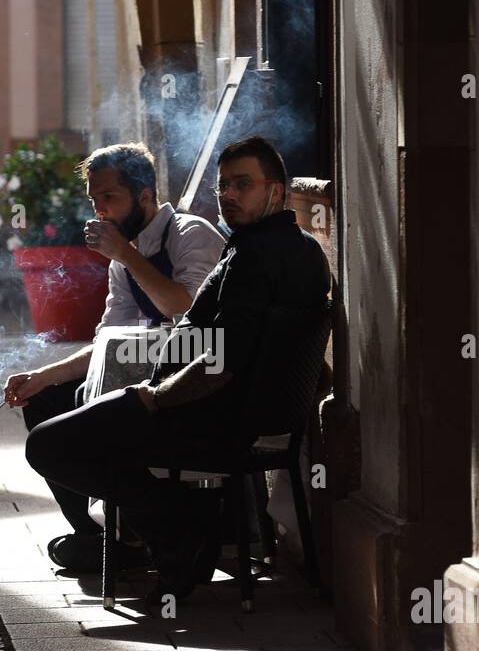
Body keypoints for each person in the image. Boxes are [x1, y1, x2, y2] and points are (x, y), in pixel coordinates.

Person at [24, 136, 331, 604]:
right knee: (68, 412)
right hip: (233, 414)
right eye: (224, 185)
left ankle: (175, 530)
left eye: (243, 185)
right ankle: (173, 531)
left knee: (47, 444)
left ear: (277, 191)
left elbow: (222, 358)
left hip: (208, 418)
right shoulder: (298, 249)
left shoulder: (249, 255)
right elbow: (193, 337)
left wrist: (155, 397)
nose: (228, 195)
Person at [2, 142, 224, 572]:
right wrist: (44, 375)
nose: (100, 210)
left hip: (189, 390)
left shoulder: (188, 235)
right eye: (94, 200)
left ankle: (146, 530)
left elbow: (185, 307)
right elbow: (109, 340)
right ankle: (102, 537)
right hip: (139, 377)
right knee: (44, 402)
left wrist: (125, 254)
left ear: (144, 196)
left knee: (82, 426)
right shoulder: (125, 258)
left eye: (109, 198)